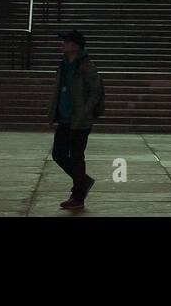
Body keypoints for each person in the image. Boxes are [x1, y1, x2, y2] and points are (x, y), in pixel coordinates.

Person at [47, 29, 105, 210]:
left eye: (65, 41)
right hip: (64, 119)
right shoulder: (63, 64)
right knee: (58, 154)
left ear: (74, 46)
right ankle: (83, 181)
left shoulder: (87, 66)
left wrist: (84, 113)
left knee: (77, 157)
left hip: (79, 121)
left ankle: (78, 197)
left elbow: (96, 92)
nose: (62, 44)